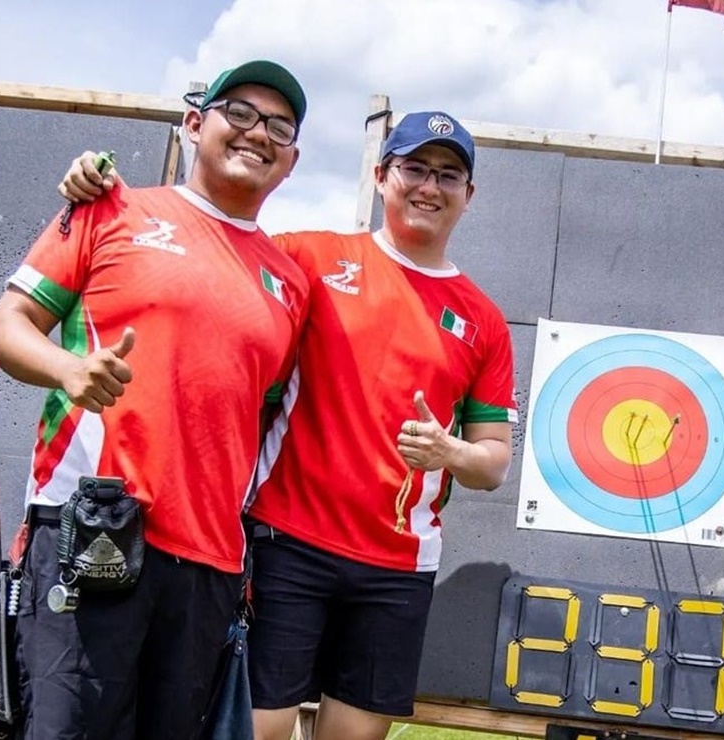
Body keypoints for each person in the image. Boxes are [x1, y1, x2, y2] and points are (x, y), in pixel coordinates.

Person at [60, 110, 517, 740]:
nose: (429, 187)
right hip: (286, 543)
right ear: (382, 176)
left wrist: (450, 451)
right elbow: (207, 241)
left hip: (397, 566)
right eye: (414, 168)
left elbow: (494, 462)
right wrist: (102, 192)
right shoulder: (308, 258)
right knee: (257, 729)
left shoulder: (484, 321)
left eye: (449, 175)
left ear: (469, 196)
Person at [0, 60, 310, 740]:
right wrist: (69, 371)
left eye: (278, 125)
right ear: (195, 123)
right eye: (239, 113)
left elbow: (260, 410)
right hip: (92, 531)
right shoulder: (110, 207)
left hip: (211, 563)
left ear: (293, 159)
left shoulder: (289, 282)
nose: (258, 133)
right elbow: (4, 328)